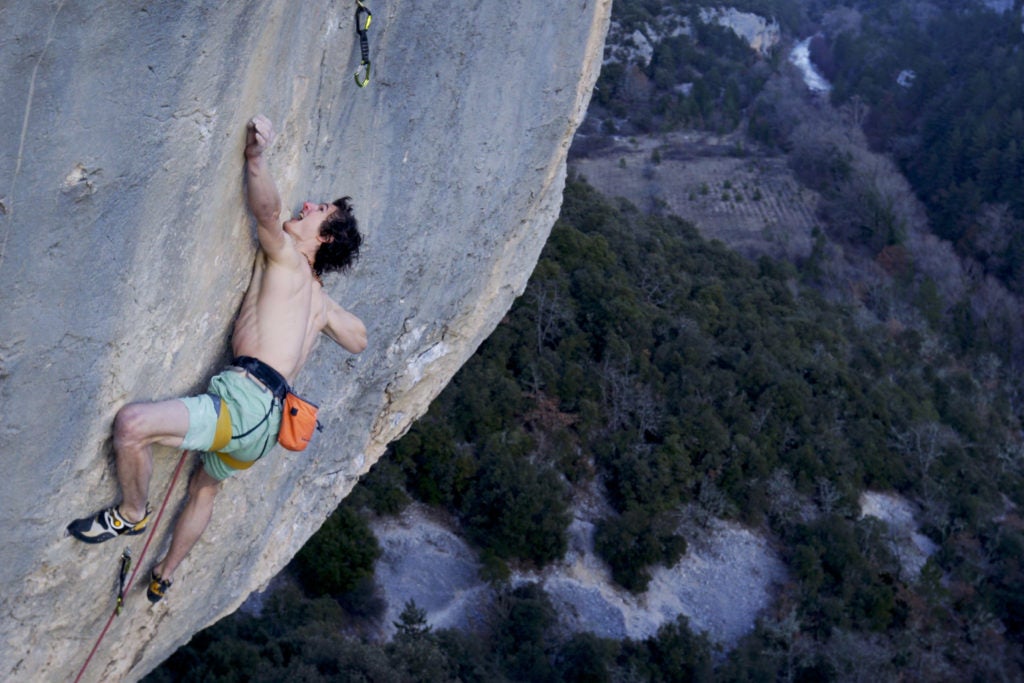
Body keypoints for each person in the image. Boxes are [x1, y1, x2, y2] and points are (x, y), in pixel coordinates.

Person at [67, 115, 368, 603]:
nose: (307, 204)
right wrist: (326, 307)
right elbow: (359, 339)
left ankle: (131, 512)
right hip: (265, 427)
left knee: (132, 425)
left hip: (244, 406)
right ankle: (165, 573)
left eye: (319, 210)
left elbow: (267, 215)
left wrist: (256, 158)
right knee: (205, 489)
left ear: (324, 237)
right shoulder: (320, 304)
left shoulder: (291, 259)